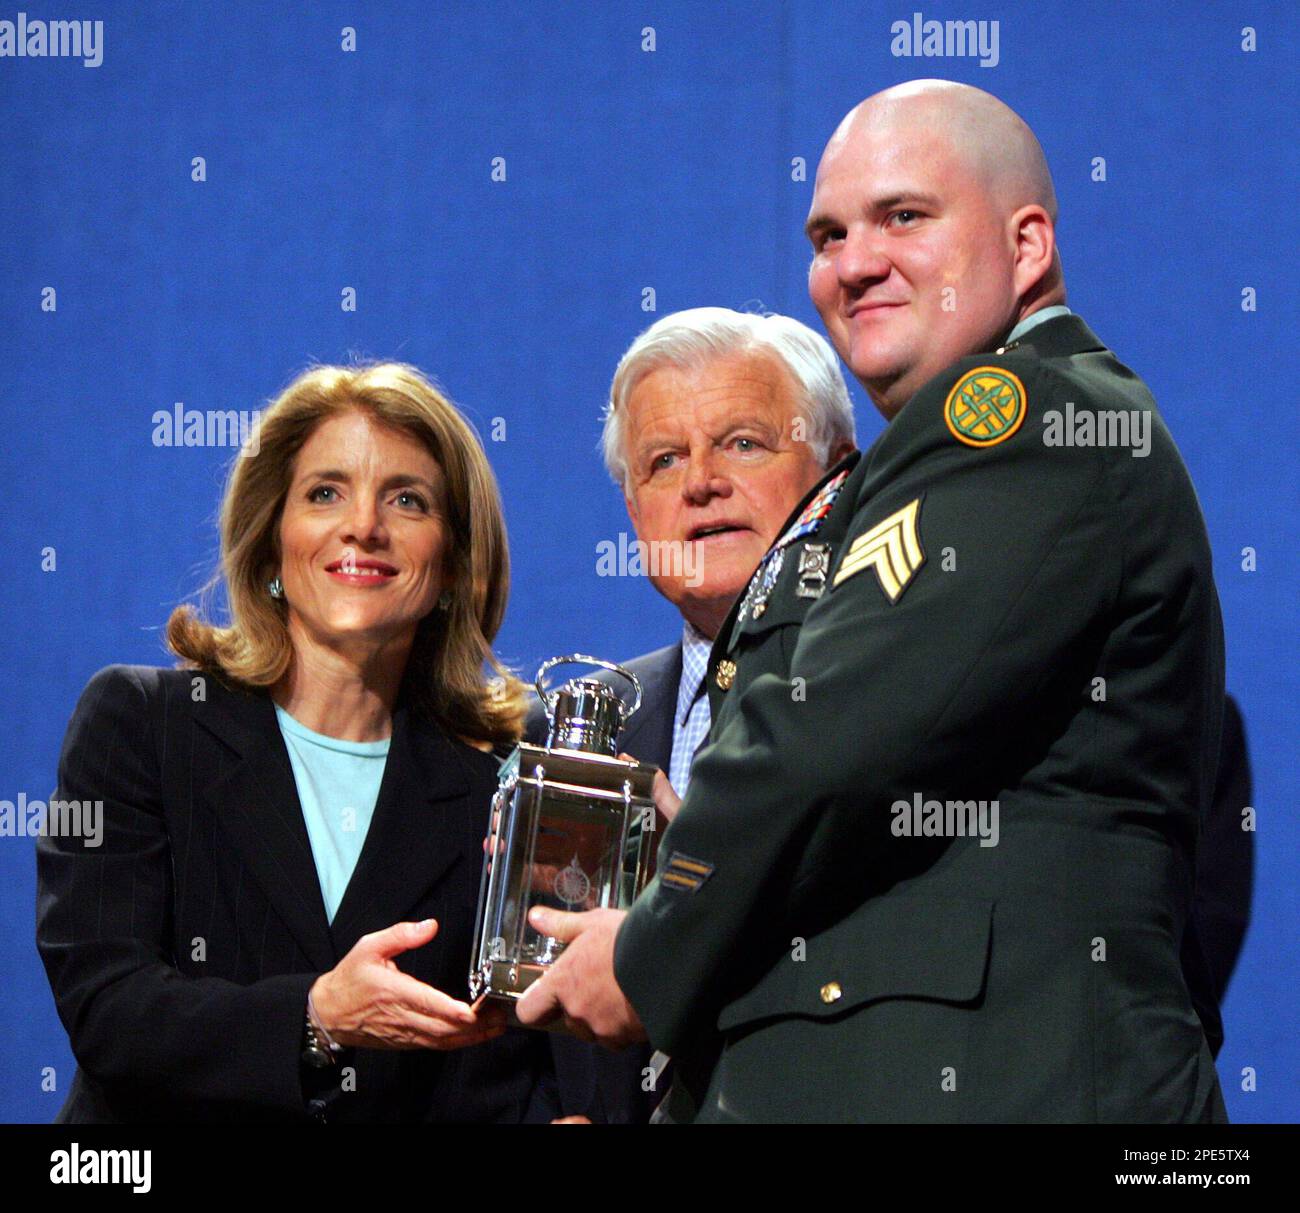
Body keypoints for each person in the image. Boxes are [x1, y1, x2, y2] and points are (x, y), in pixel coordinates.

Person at [516, 80, 1228, 1123]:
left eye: (904, 216)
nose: (851, 263)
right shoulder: (937, 455)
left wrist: (653, 946)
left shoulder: (1023, 413)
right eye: (827, 233)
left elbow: (827, 737)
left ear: (1026, 245)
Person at [36, 362, 553, 1123]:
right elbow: (109, 1006)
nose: (364, 526)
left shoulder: (494, 785)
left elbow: (495, 1065)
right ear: (273, 542)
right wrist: (315, 1016)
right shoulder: (144, 725)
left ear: (451, 564)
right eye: (325, 493)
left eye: (406, 499)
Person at [526, 308, 855, 1121]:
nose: (700, 482)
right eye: (663, 460)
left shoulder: (895, 693)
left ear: (839, 477)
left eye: (743, 442)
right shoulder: (567, 736)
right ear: (636, 511)